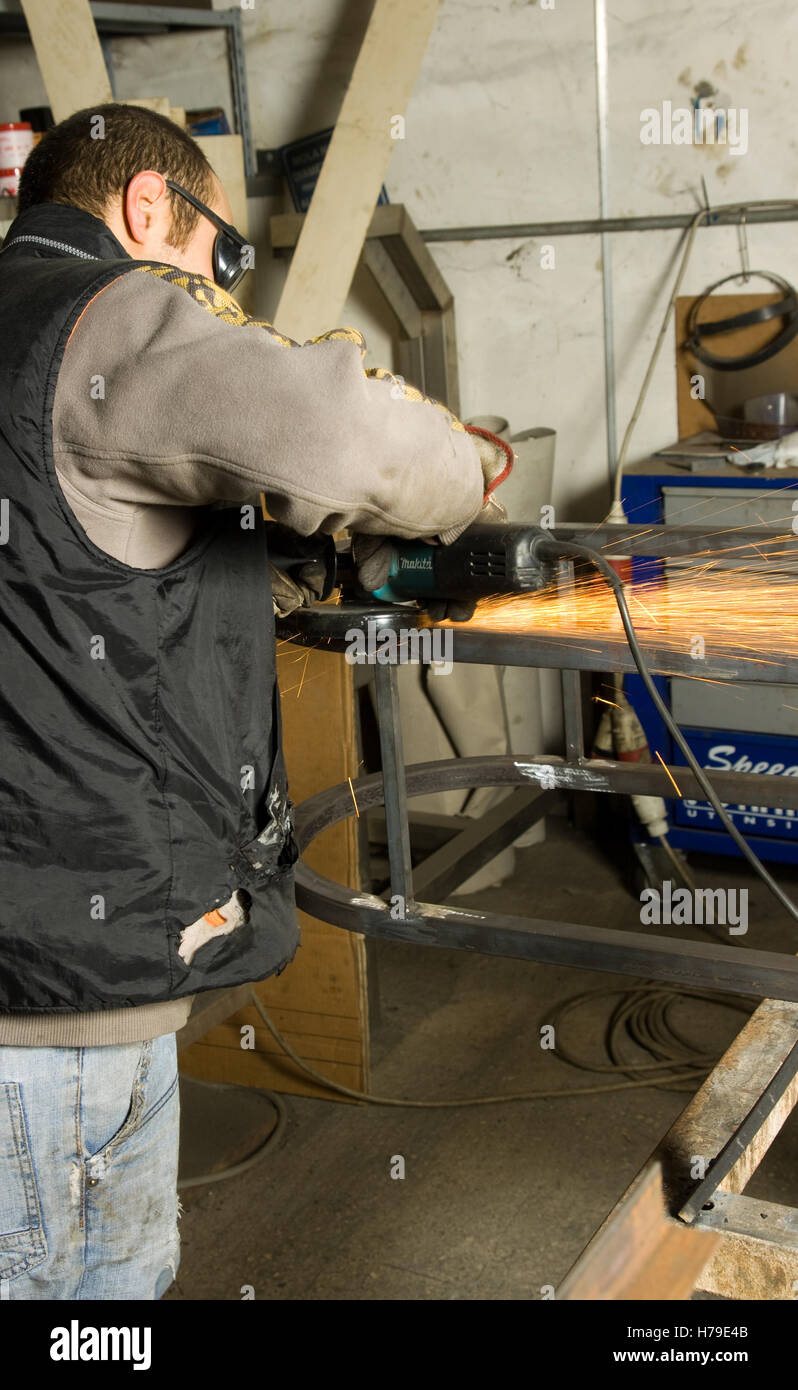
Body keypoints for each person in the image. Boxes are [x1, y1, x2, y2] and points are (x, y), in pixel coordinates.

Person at [0, 103, 505, 1300]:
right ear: (145, 210)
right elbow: (341, 436)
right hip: (60, 997)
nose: (220, 293)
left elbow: (67, 555)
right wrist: (465, 473)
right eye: (221, 258)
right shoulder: (106, 308)